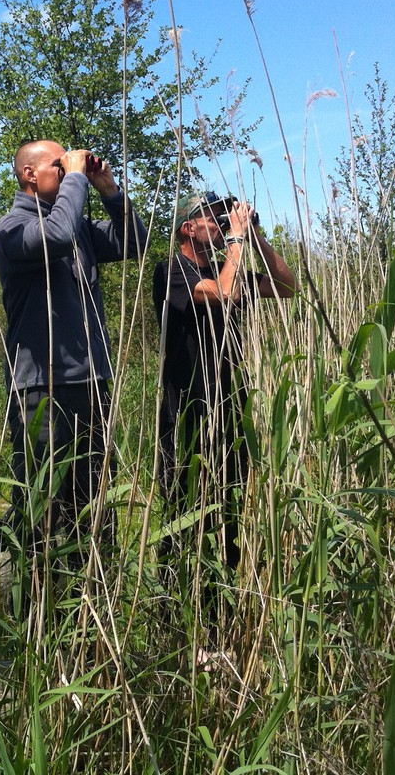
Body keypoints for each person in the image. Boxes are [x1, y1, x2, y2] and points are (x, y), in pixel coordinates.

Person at [0, 141, 147, 572]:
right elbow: (56, 236)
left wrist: (110, 191)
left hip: (90, 381)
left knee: (93, 501)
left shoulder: (75, 225)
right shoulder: (11, 227)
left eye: (67, 166)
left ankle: (90, 602)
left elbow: (133, 242)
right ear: (28, 175)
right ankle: (33, 610)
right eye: (57, 166)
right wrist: (77, 178)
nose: (66, 171)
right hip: (42, 386)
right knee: (43, 502)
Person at [153, 192, 295, 643]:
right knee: (184, 517)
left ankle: (218, 622)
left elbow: (288, 288)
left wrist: (255, 236)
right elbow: (227, 293)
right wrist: (236, 239)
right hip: (185, 415)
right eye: (212, 219)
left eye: (223, 218)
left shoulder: (227, 262)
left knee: (227, 515)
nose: (220, 224)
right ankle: (176, 623)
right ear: (187, 228)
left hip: (231, 412)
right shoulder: (171, 272)